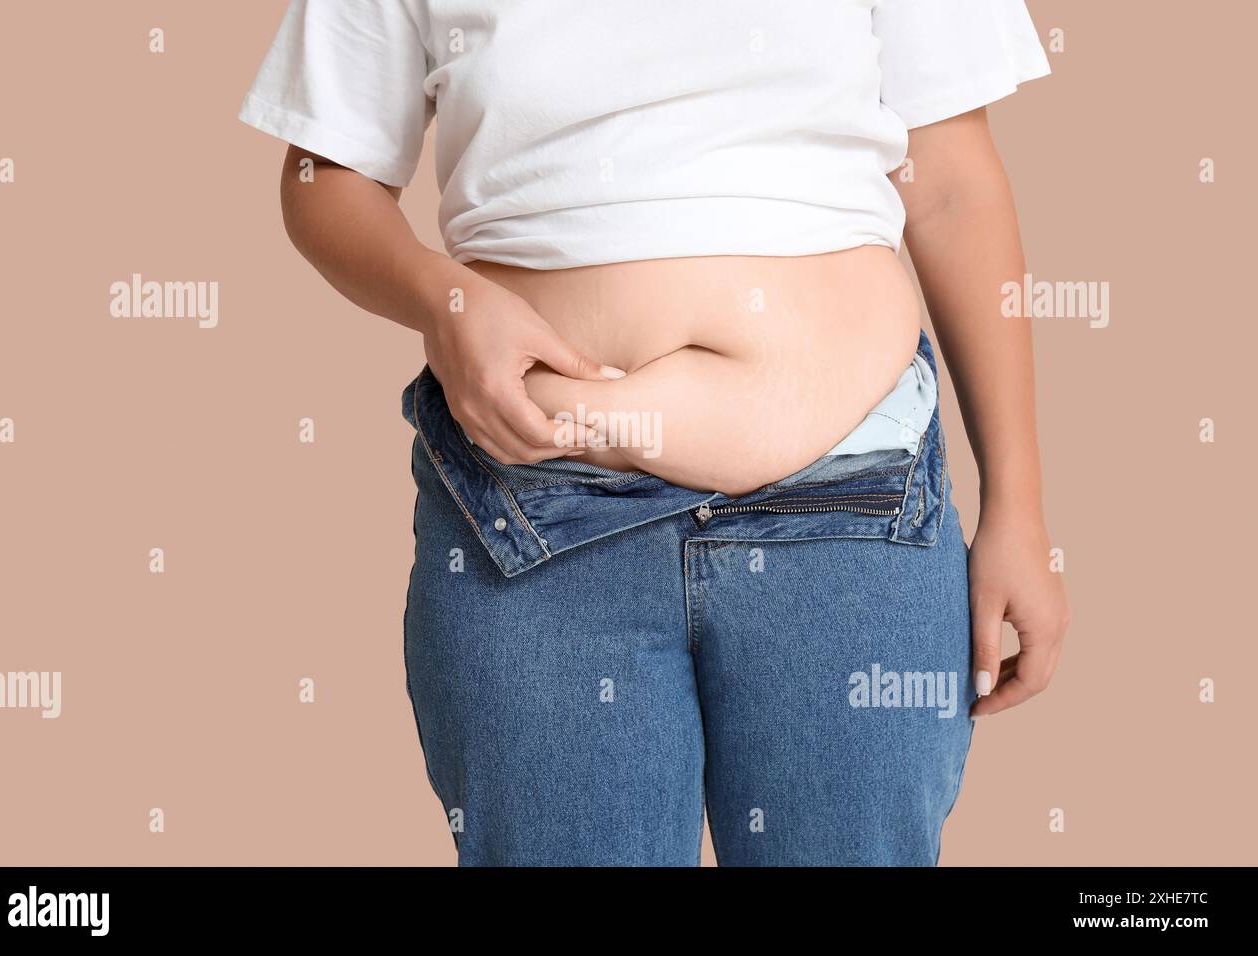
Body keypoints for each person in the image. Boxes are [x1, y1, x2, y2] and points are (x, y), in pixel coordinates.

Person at [239, 0, 1070, 866]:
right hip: (533, 512)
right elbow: (323, 176)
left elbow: (951, 187)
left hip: (851, 501)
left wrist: (1019, 507)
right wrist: (440, 298)